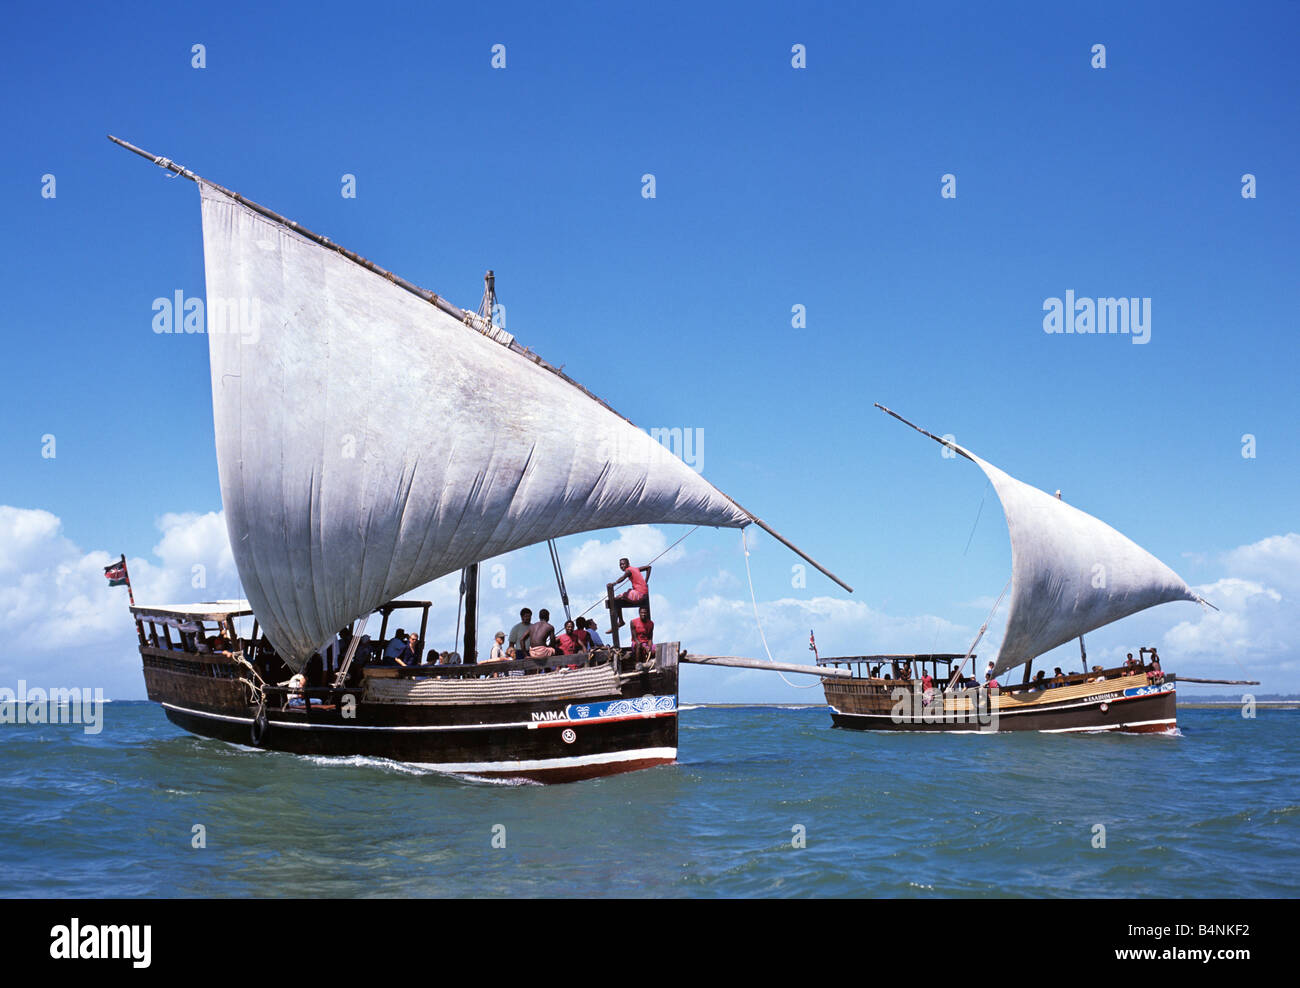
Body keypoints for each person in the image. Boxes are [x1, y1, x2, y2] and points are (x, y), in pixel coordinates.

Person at [608, 557, 651, 627]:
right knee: (618, 598)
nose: (622, 566)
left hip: (639, 594)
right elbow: (648, 567)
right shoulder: (635, 569)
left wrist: (614, 583)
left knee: (616, 600)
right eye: (620, 565)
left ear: (628, 564)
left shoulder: (628, 571)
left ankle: (620, 621)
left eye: (623, 564)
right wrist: (645, 582)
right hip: (643, 593)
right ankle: (620, 621)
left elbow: (622, 578)